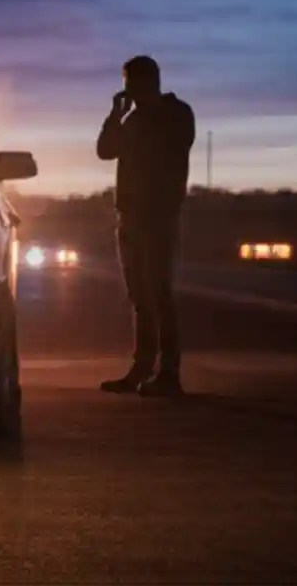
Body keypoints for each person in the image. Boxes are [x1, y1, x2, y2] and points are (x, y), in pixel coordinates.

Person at [96, 55, 195, 397]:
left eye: (132, 85)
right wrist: (115, 117)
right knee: (140, 296)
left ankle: (168, 372)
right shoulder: (133, 119)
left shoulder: (176, 114)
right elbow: (105, 151)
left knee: (159, 293)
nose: (129, 92)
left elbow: (167, 148)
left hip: (159, 218)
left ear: (147, 81)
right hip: (131, 217)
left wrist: (135, 120)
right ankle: (141, 369)